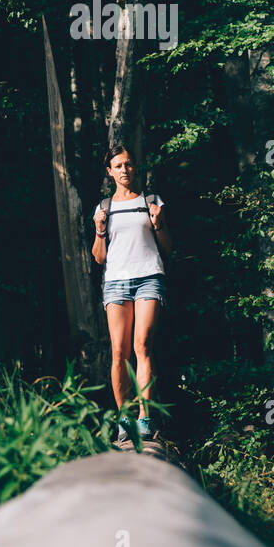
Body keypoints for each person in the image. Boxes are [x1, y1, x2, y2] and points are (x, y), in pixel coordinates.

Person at [91, 143, 172, 445]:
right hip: (116, 282)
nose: (124, 170)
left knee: (142, 346)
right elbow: (99, 257)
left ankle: (145, 418)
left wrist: (159, 223)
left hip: (149, 276)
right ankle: (124, 420)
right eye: (118, 166)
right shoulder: (103, 208)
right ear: (109, 171)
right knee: (118, 353)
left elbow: (167, 246)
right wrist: (100, 229)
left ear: (134, 167)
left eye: (128, 164)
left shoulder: (152, 200)